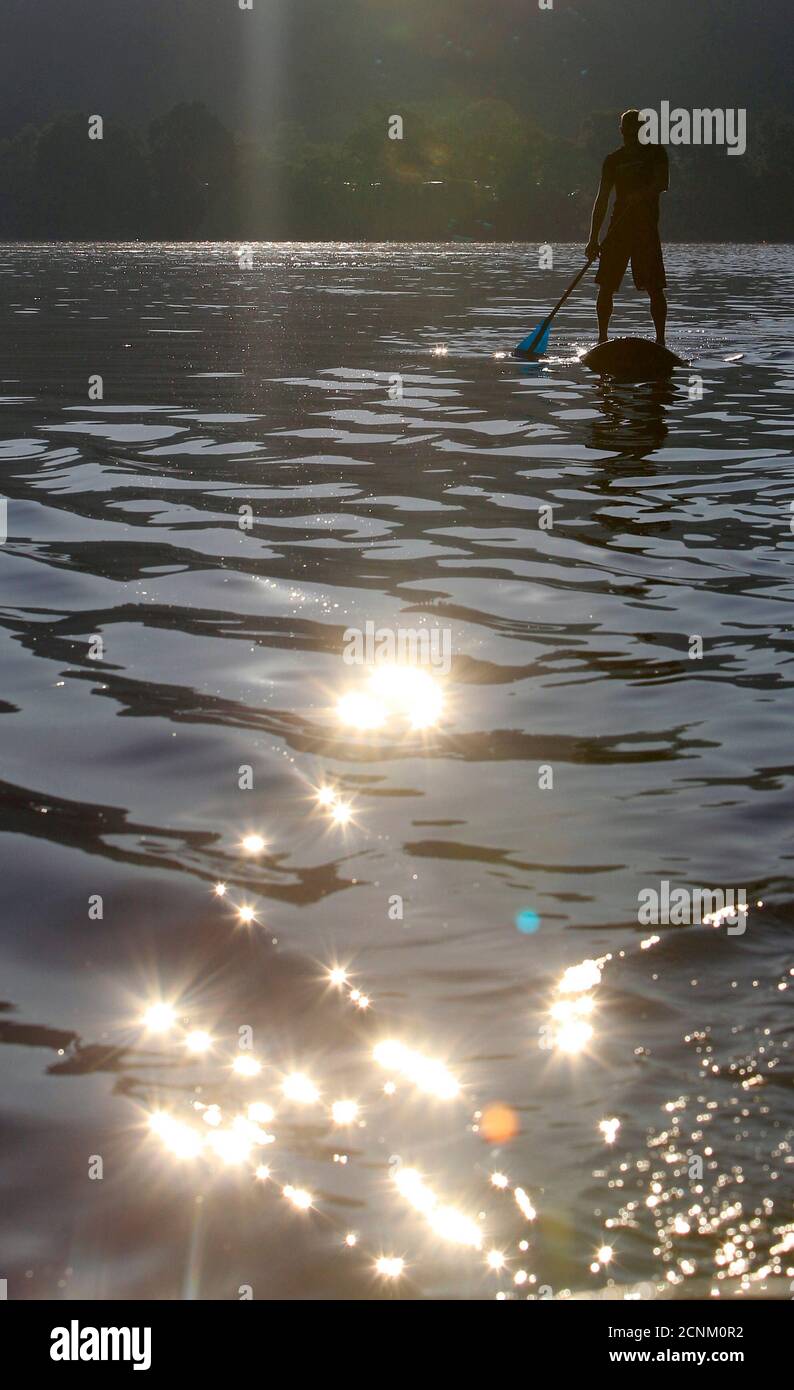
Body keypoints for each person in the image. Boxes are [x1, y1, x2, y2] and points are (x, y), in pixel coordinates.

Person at [586, 109, 669, 345]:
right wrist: (593, 239)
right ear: (621, 131)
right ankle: (602, 339)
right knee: (605, 286)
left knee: (655, 288)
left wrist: (642, 194)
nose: (631, 134)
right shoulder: (613, 160)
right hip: (618, 230)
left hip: (646, 230)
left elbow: (662, 183)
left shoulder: (656, 153)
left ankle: (660, 341)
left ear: (643, 129)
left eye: (636, 129)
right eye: (628, 130)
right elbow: (602, 199)